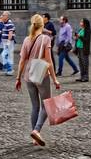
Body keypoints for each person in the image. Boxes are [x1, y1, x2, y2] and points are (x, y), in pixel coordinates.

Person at [15, 13, 60, 147]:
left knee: (35, 106)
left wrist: (18, 77)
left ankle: (34, 138)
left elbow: (22, 61)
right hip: (41, 75)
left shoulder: (26, 40)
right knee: (46, 104)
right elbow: (49, 61)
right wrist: (55, 79)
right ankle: (37, 130)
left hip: (28, 75)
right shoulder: (45, 39)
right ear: (43, 25)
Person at [76, 17, 91, 82]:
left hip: (84, 48)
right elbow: (79, 38)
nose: (80, 23)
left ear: (85, 23)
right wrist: (77, 37)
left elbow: (86, 40)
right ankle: (82, 76)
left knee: (85, 63)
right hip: (79, 47)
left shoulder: (87, 30)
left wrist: (80, 37)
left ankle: (86, 77)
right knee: (80, 63)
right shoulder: (81, 29)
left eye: (82, 22)